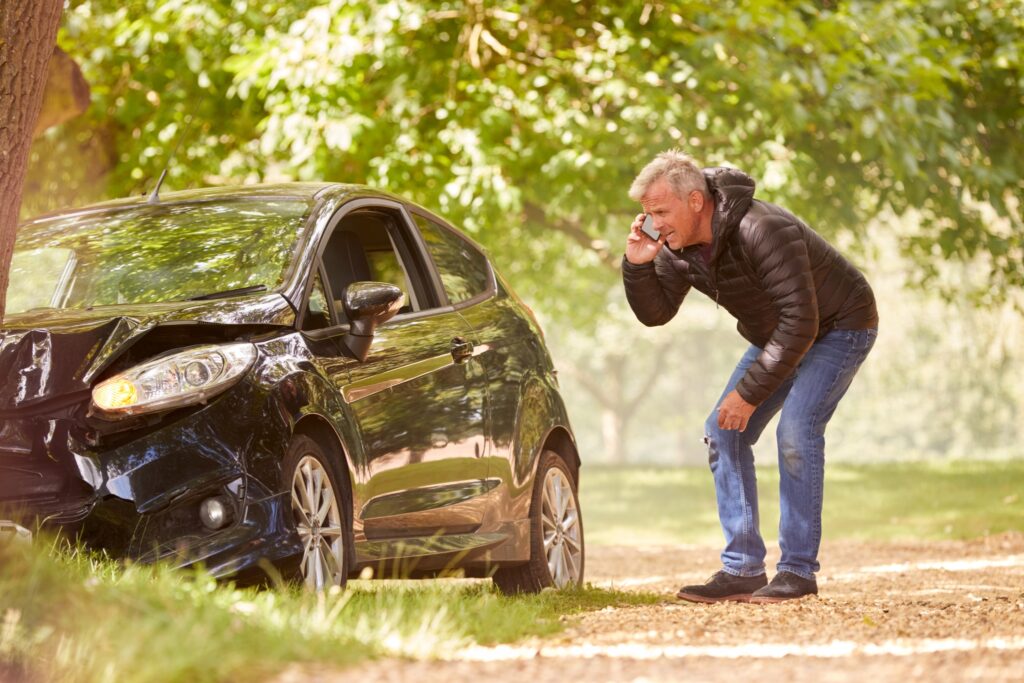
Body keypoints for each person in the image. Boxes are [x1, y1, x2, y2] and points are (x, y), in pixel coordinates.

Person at [622, 150, 878, 603]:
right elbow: (656, 313)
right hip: (780, 332)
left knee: (796, 430)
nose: (653, 223)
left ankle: (797, 572)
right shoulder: (677, 248)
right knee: (723, 431)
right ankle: (742, 569)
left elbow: (802, 320)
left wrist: (749, 393)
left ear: (696, 201)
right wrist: (638, 264)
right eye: (647, 213)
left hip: (840, 324)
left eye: (660, 211)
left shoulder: (761, 228)